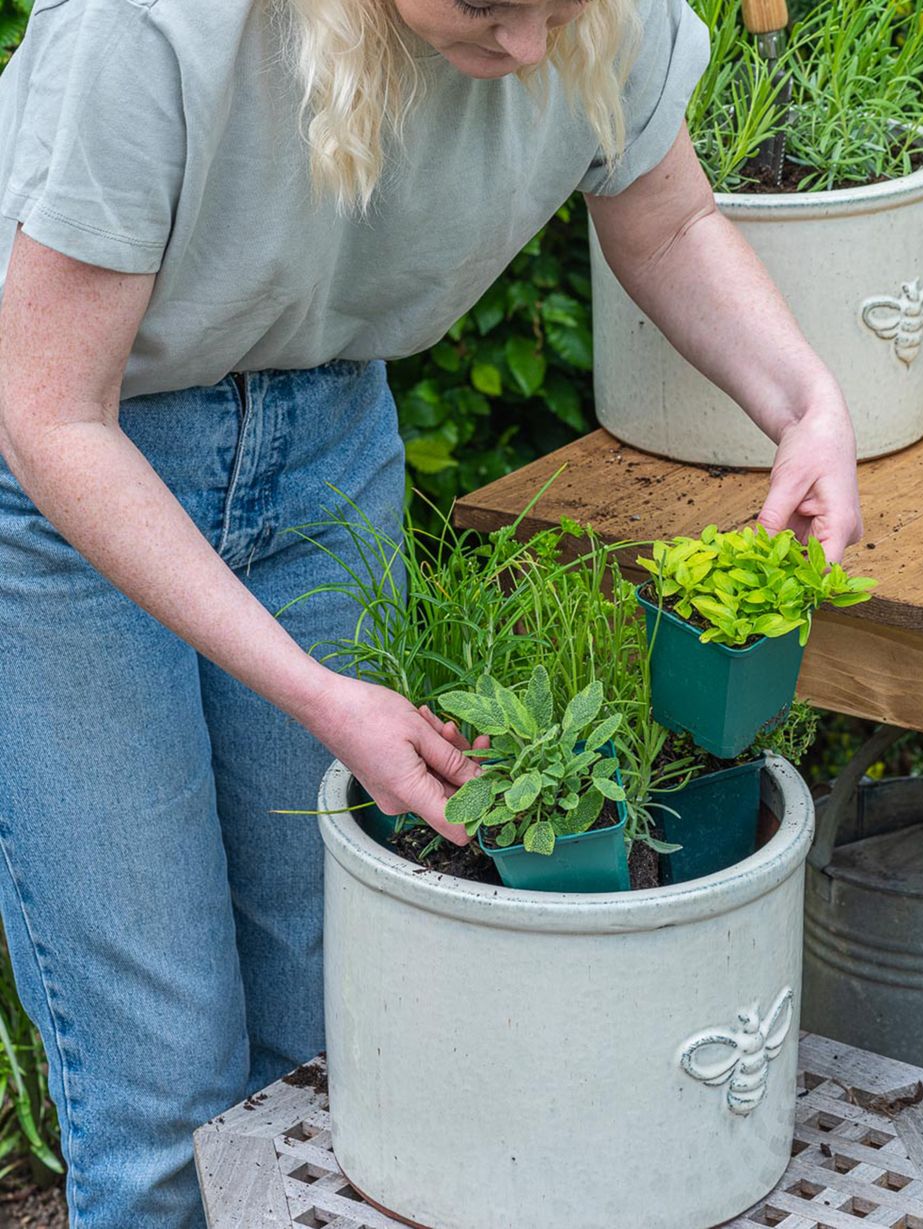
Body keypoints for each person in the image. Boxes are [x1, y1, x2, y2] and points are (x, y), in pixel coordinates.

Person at [0, 0, 862, 1223]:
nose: (523, 47)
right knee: (161, 1081)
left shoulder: (607, 15)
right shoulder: (153, 29)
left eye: (556, 10)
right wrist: (317, 692)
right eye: (488, 8)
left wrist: (807, 404)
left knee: (331, 1022)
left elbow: (667, 219)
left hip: (323, 448)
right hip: (60, 488)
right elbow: (46, 412)